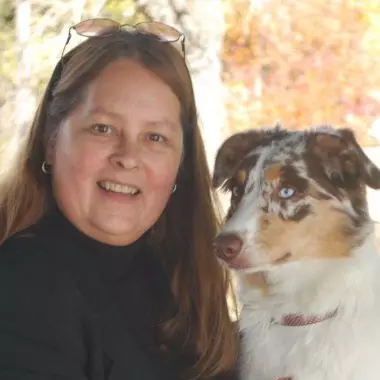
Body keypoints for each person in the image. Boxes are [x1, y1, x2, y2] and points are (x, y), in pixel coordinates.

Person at [0, 19, 238, 380]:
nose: (128, 157)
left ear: (180, 164)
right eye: (103, 128)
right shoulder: (22, 285)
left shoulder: (179, 278)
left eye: (155, 137)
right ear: (51, 140)